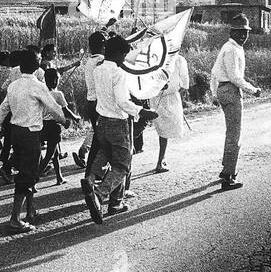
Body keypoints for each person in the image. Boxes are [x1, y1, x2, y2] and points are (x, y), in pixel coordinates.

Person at [84, 35, 157, 224]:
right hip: (118, 122)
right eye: (123, 55)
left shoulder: (98, 70)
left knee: (105, 153)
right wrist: (142, 112)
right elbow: (123, 101)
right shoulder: (118, 73)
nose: (124, 59)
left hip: (102, 121)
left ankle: (91, 179)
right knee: (122, 164)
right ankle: (99, 195)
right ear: (116, 53)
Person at [0, 51, 65, 233]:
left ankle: (30, 210)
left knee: (27, 171)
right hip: (30, 133)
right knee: (28, 175)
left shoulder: (14, 85)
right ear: (36, 66)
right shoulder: (37, 85)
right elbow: (53, 107)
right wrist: (64, 119)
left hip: (15, 132)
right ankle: (15, 218)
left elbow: (3, 108)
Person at [210, 13, 260, 192]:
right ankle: (227, 175)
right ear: (231, 32)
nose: (243, 36)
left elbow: (214, 73)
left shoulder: (230, 47)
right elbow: (234, 77)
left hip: (225, 90)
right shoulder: (231, 49)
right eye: (239, 32)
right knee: (234, 135)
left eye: (245, 32)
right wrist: (253, 90)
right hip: (231, 90)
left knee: (231, 132)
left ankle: (228, 168)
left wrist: (215, 94)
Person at [72, 30, 107, 169]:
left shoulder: (89, 61)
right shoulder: (100, 61)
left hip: (91, 100)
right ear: (103, 46)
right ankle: (94, 166)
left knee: (96, 130)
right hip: (100, 101)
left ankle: (84, 151)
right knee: (101, 135)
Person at [152, 50, 190, 174]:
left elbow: (184, 83)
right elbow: (184, 84)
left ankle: (161, 159)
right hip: (160, 97)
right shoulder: (158, 58)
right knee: (163, 130)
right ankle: (160, 160)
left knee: (163, 130)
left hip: (164, 97)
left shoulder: (177, 60)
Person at [39, 67, 78, 185]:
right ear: (56, 80)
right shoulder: (58, 94)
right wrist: (75, 117)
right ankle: (35, 175)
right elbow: (65, 110)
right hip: (53, 127)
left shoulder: (41, 93)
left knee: (55, 154)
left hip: (41, 126)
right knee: (50, 154)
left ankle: (59, 177)